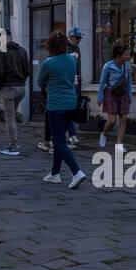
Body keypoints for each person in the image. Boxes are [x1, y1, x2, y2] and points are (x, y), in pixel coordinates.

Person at [36, 30, 87, 188]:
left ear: (50, 46)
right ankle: (55, 173)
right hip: (71, 104)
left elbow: (39, 82)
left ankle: (76, 172)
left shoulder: (48, 63)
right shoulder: (72, 60)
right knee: (59, 139)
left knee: (59, 141)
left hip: (56, 105)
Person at [0, 38, 30, 157]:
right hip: (21, 88)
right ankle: (14, 142)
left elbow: (0, 72)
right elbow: (27, 70)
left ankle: (13, 146)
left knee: (9, 118)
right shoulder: (22, 51)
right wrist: (22, 80)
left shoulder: (1, 53)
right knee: (12, 116)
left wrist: (0, 86)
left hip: (8, 88)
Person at [98, 44, 133, 152]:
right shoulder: (108, 66)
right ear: (119, 56)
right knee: (112, 120)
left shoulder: (127, 65)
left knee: (123, 119)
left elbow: (129, 81)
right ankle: (104, 134)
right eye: (126, 54)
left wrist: (130, 95)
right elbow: (102, 82)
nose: (128, 56)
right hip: (110, 93)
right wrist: (100, 97)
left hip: (123, 93)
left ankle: (119, 146)